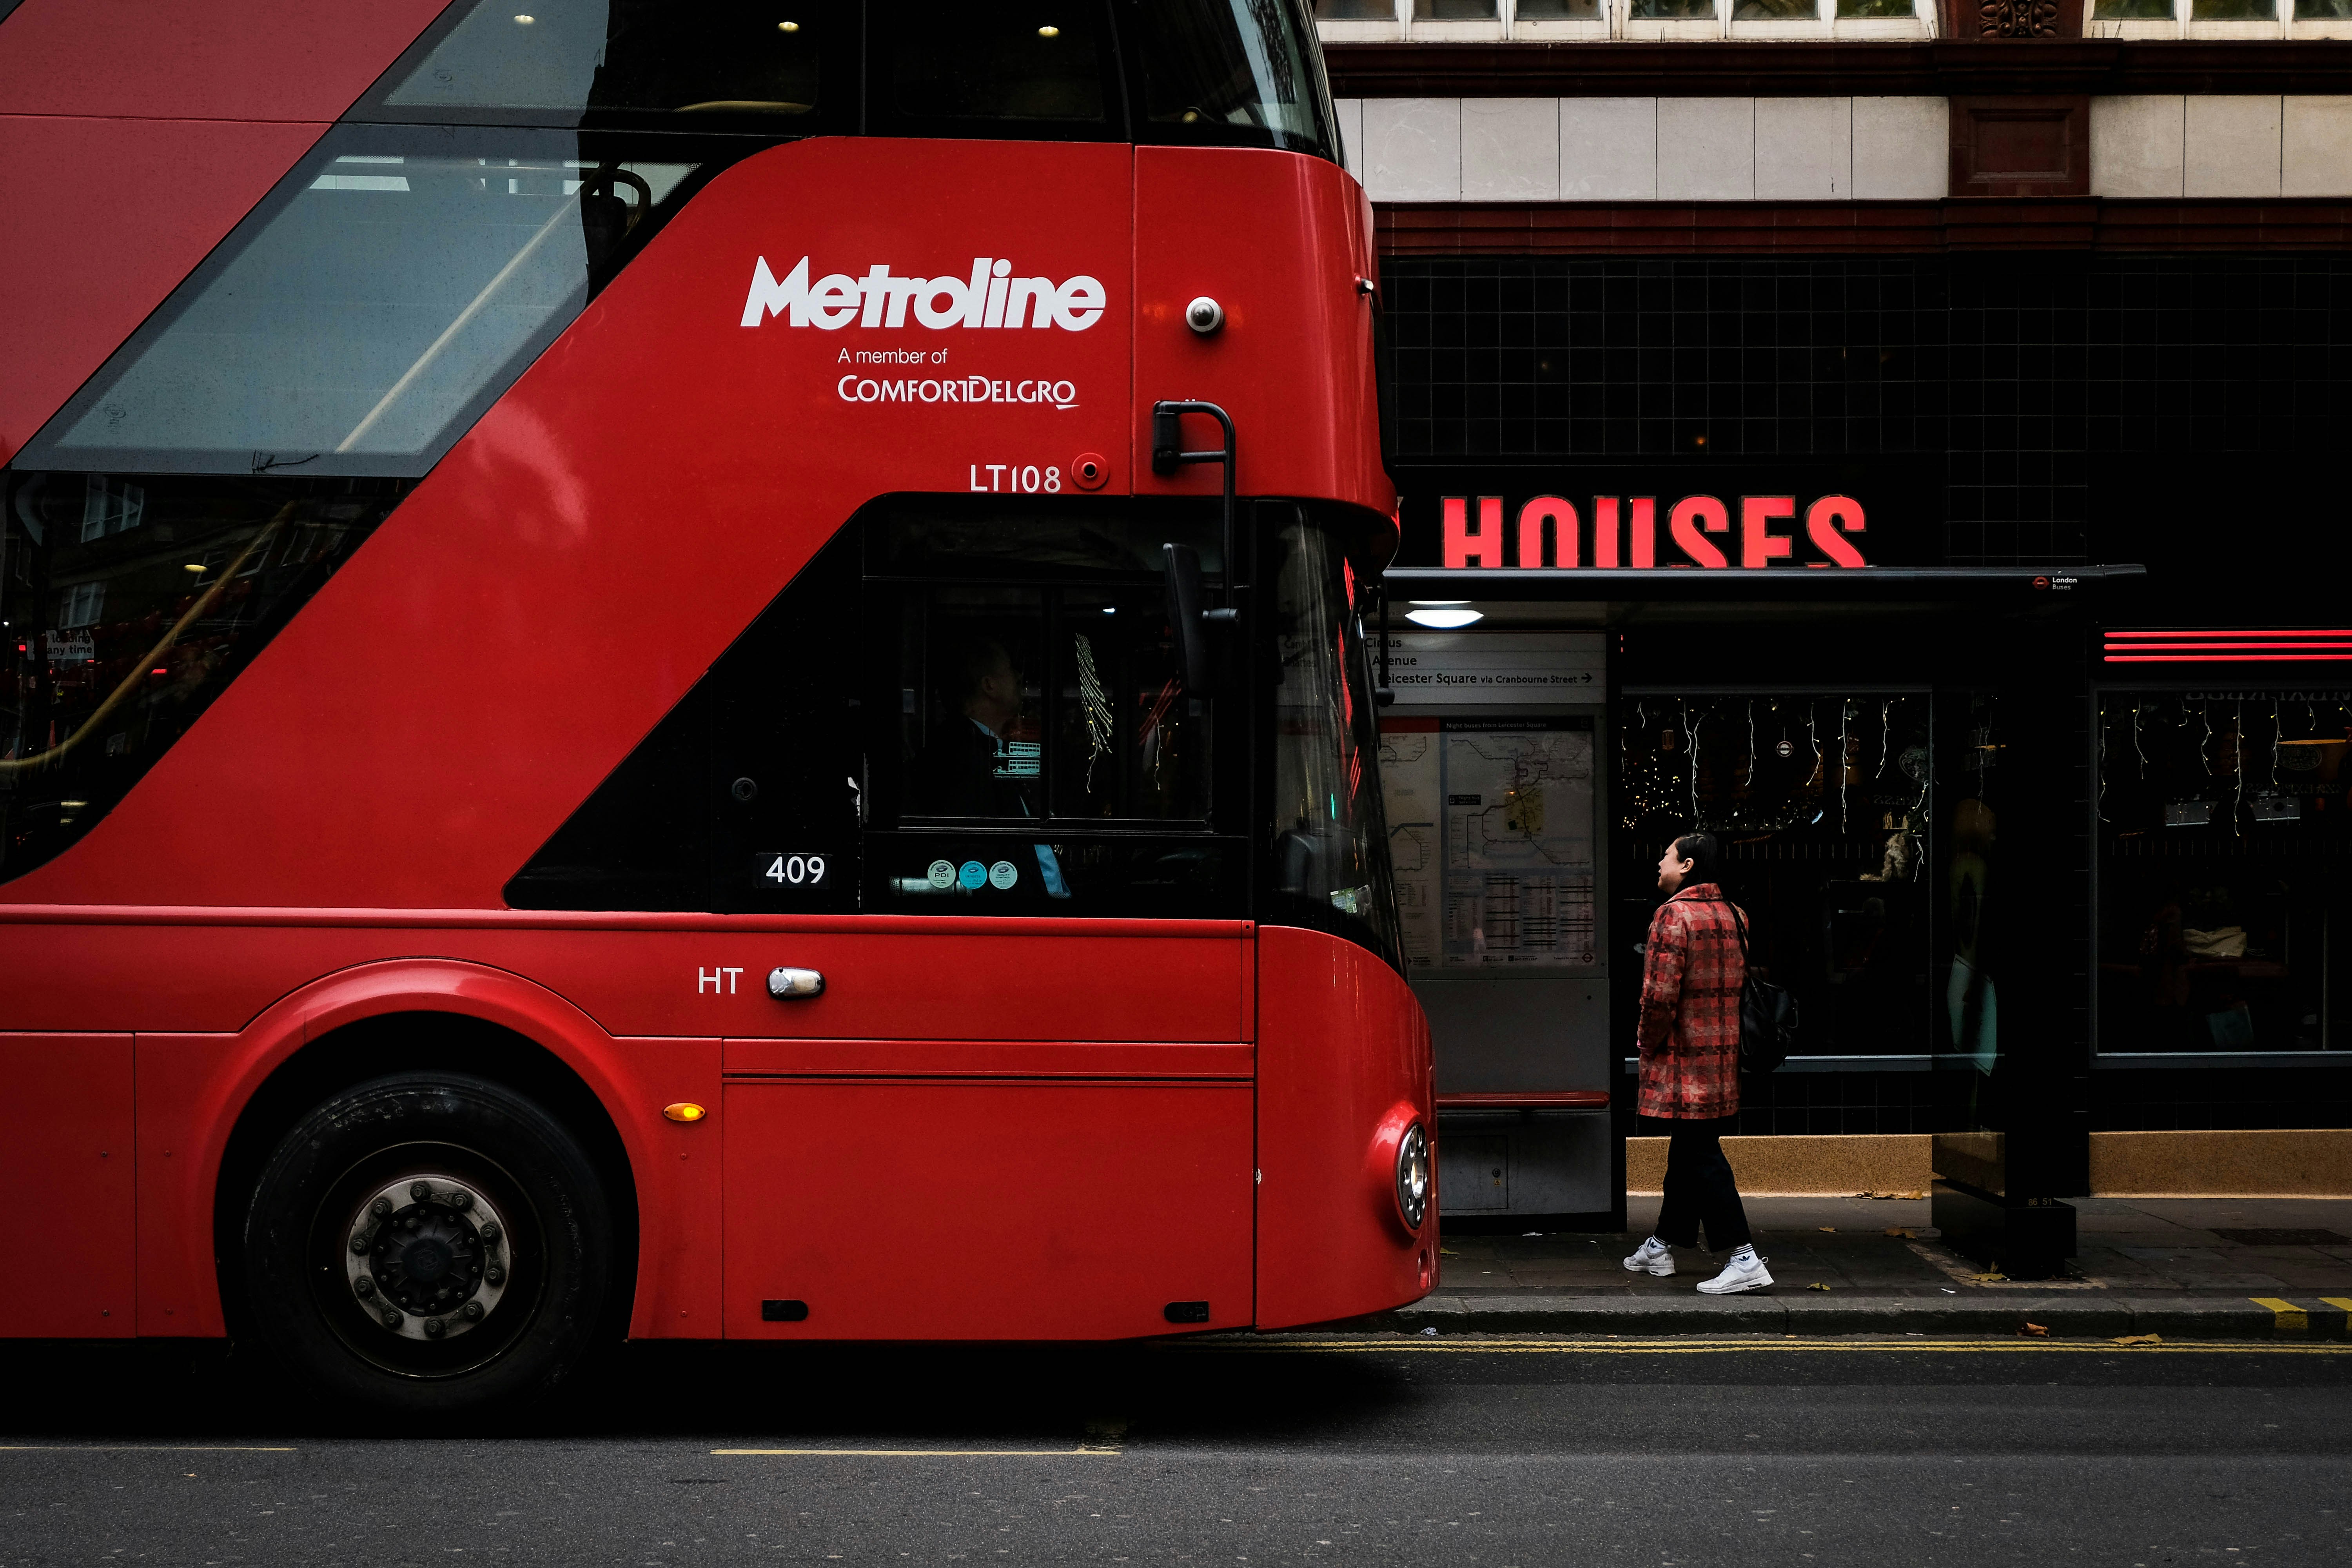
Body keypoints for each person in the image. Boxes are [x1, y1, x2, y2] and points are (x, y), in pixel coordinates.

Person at [1622, 832, 1772, 1295]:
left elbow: (1659, 995)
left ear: (1687, 866)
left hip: (1683, 1060)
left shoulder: (1672, 915)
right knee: (1689, 1148)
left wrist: (1646, 1040)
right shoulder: (1736, 915)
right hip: (1722, 1058)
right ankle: (1663, 1243)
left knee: (1702, 1155)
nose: (1659, 863)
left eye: (1666, 856)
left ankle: (1743, 1255)